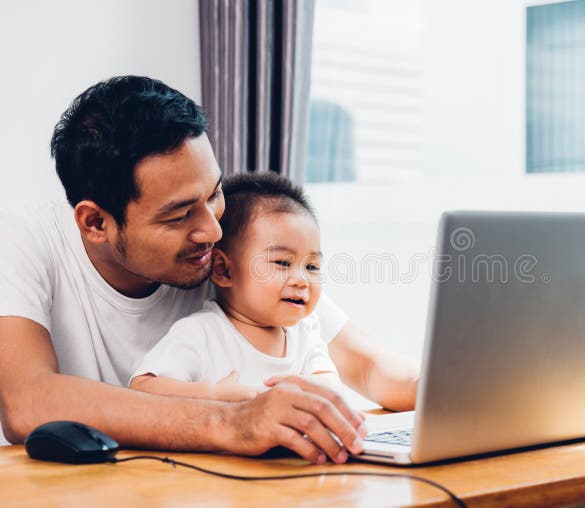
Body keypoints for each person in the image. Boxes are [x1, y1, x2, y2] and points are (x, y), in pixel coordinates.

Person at [0, 76, 418, 465]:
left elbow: (369, 366)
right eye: (179, 214)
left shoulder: (226, 246)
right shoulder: (23, 240)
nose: (213, 229)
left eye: (214, 192)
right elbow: (27, 402)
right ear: (95, 223)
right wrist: (230, 421)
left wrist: (469, 392)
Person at [130, 172, 344, 401]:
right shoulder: (202, 333)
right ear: (224, 270)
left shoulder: (305, 331)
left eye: (312, 266)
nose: (301, 280)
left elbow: (332, 385)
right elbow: (142, 387)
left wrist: (314, 386)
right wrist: (212, 394)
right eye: (283, 263)